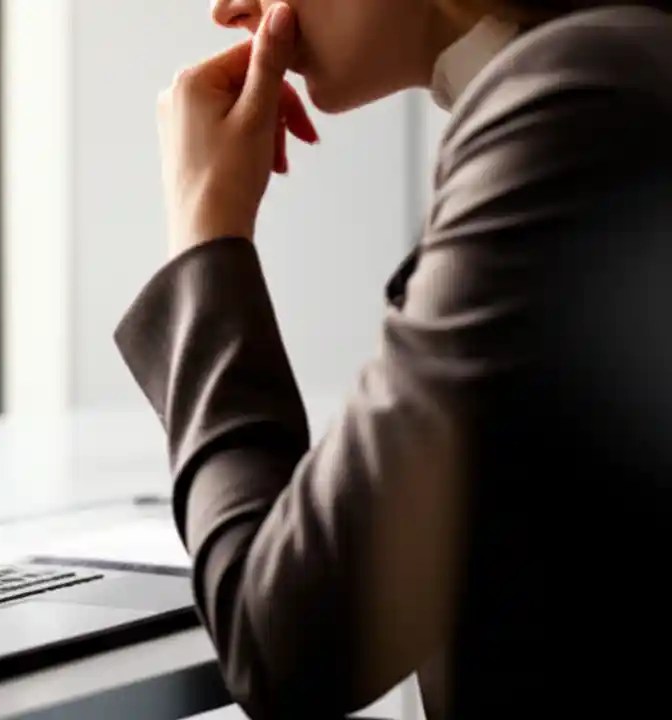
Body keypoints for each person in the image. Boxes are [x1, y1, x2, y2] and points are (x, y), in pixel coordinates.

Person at [115, 1, 672, 718]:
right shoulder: (622, 67)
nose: (230, 9)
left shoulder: (574, 108)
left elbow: (281, 640)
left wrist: (205, 230)